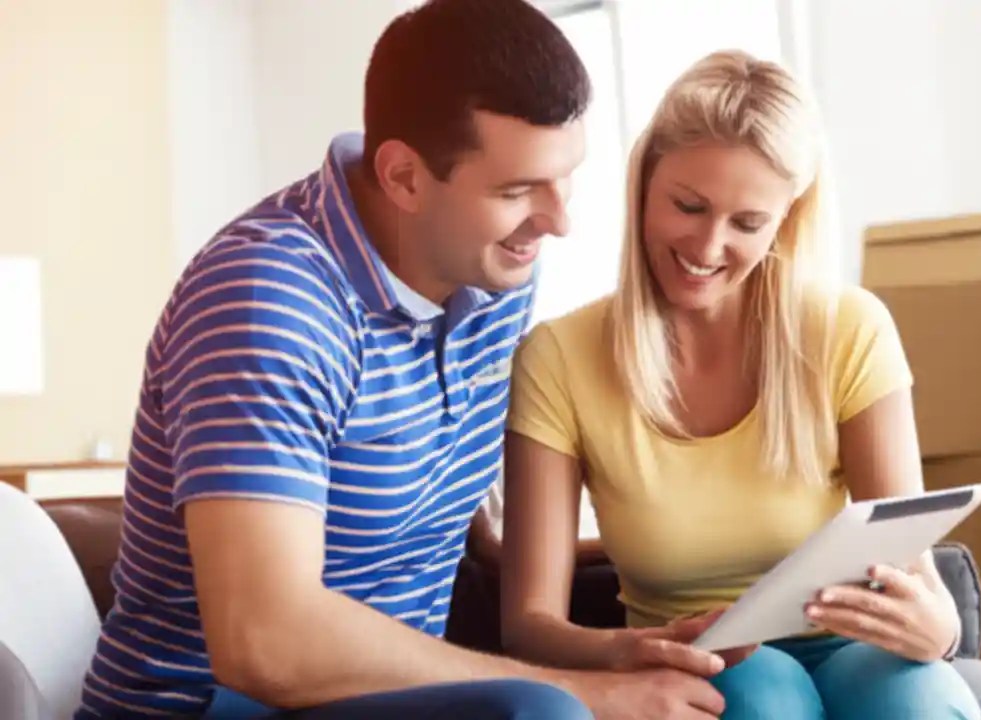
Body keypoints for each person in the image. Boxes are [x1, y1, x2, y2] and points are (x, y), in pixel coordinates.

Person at [75, 1, 713, 718]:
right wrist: (590, 692)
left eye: (564, 177)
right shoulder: (269, 301)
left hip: (384, 695)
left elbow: (430, 491)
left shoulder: (492, 268)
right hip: (214, 704)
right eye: (515, 191)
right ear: (405, 177)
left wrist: (613, 644)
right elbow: (264, 644)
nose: (557, 221)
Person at [500, 49, 981, 720]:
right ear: (644, 184)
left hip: (854, 648)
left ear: (786, 219)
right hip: (701, 661)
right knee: (760, 696)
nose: (706, 247)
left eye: (748, 223)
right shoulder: (559, 357)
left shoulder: (849, 329)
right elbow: (528, 625)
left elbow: (914, 572)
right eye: (688, 206)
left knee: (923, 700)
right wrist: (634, 649)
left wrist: (942, 631)